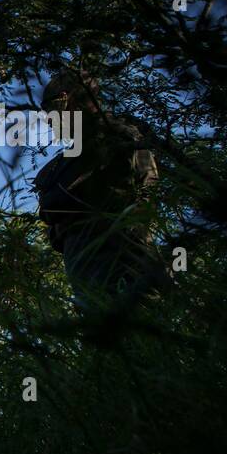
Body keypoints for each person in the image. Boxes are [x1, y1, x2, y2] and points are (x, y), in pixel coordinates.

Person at [33, 70, 167, 308]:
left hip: (123, 261)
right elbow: (53, 218)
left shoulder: (117, 137)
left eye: (53, 108)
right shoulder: (62, 164)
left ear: (73, 101)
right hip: (88, 272)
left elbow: (138, 194)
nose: (50, 119)